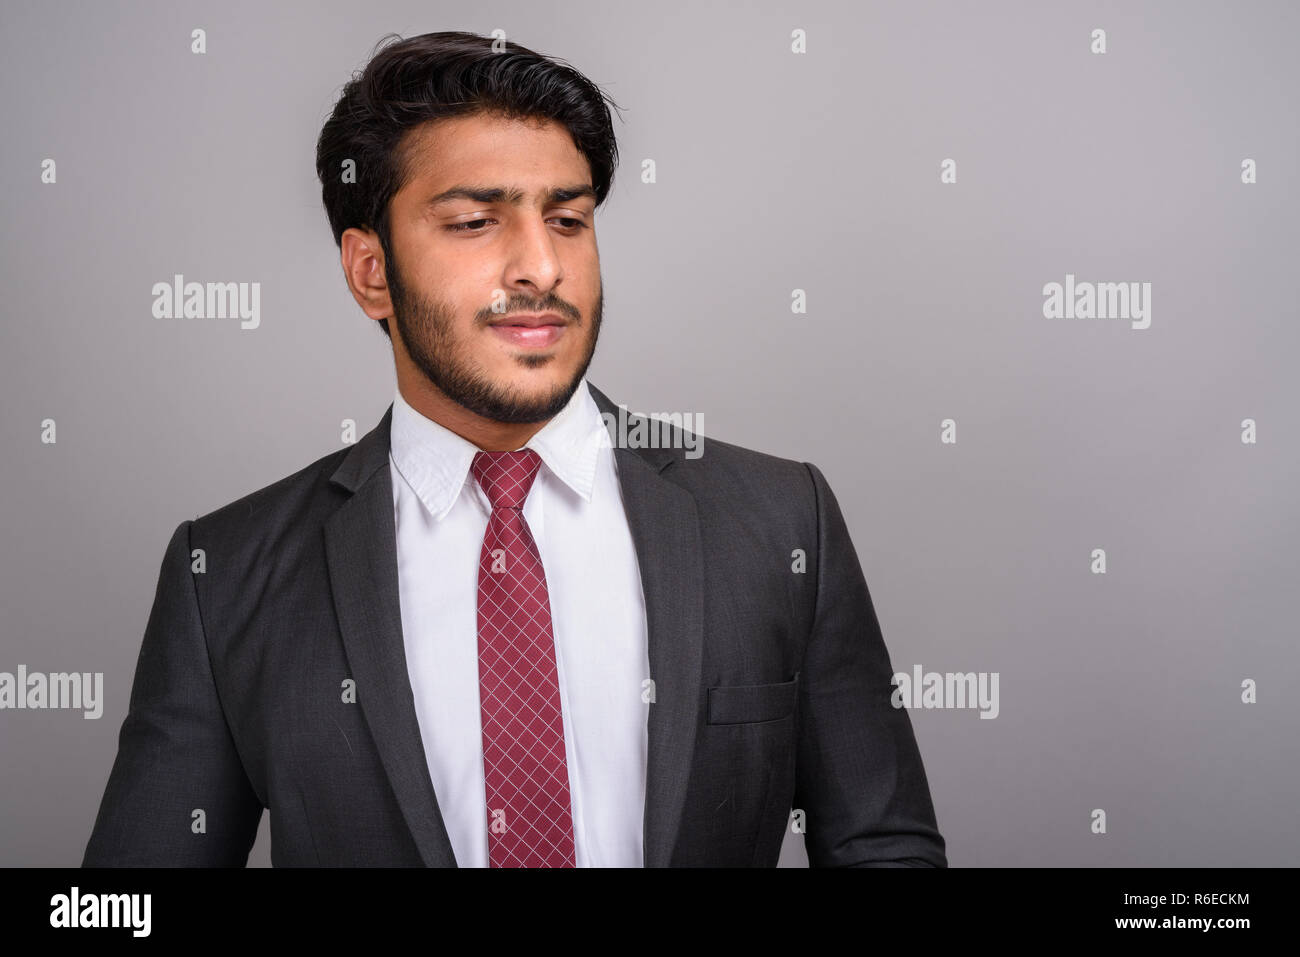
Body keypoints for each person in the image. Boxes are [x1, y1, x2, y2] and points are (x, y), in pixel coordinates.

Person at [82, 30, 946, 868]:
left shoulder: (780, 519)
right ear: (370, 271)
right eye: (474, 222)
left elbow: (885, 846)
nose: (541, 266)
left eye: (568, 218)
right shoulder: (227, 573)